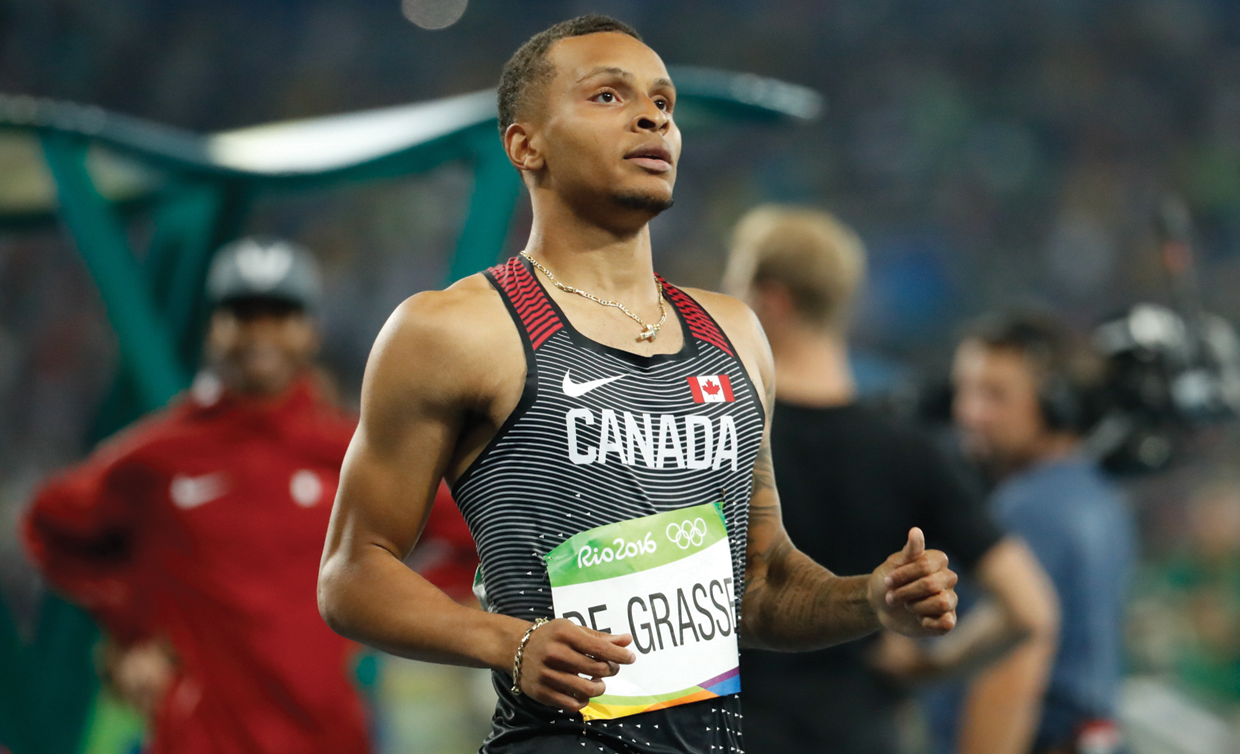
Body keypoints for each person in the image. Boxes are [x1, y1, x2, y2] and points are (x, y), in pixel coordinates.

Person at [317, 14, 960, 754]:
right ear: (526, 144)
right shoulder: (454, 331)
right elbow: (352, 572)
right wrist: (509, 643)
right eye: (608, 97)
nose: (654, 115)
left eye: (664, 102)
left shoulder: (736, 336)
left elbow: (762, 584)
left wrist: (871, 597)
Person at [722, 206, 1059, 754]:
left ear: (772, 300)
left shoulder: (715, 434)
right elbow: (1030, 608)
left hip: (734, 732)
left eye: (734, 290)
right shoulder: (911, 451)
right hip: (860, 734)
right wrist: (931, 667)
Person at [21, 238, 370, 754]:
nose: (261, 332)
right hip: (201, 740)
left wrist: (391, 620)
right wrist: (132, 626)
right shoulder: (159, 456)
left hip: (329, 739)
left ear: (309, 331)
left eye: (279, 313)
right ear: (215, 330)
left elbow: (466, 529)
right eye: (243, 313)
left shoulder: (351, 453)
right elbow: (49, 523)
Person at [947, 313, 1136, 754]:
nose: (968, 412)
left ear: (1056, 405)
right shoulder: (1097, 493)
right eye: (965, 390)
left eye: (994, 395)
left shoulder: (1030, 509)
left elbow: (1010, 668)